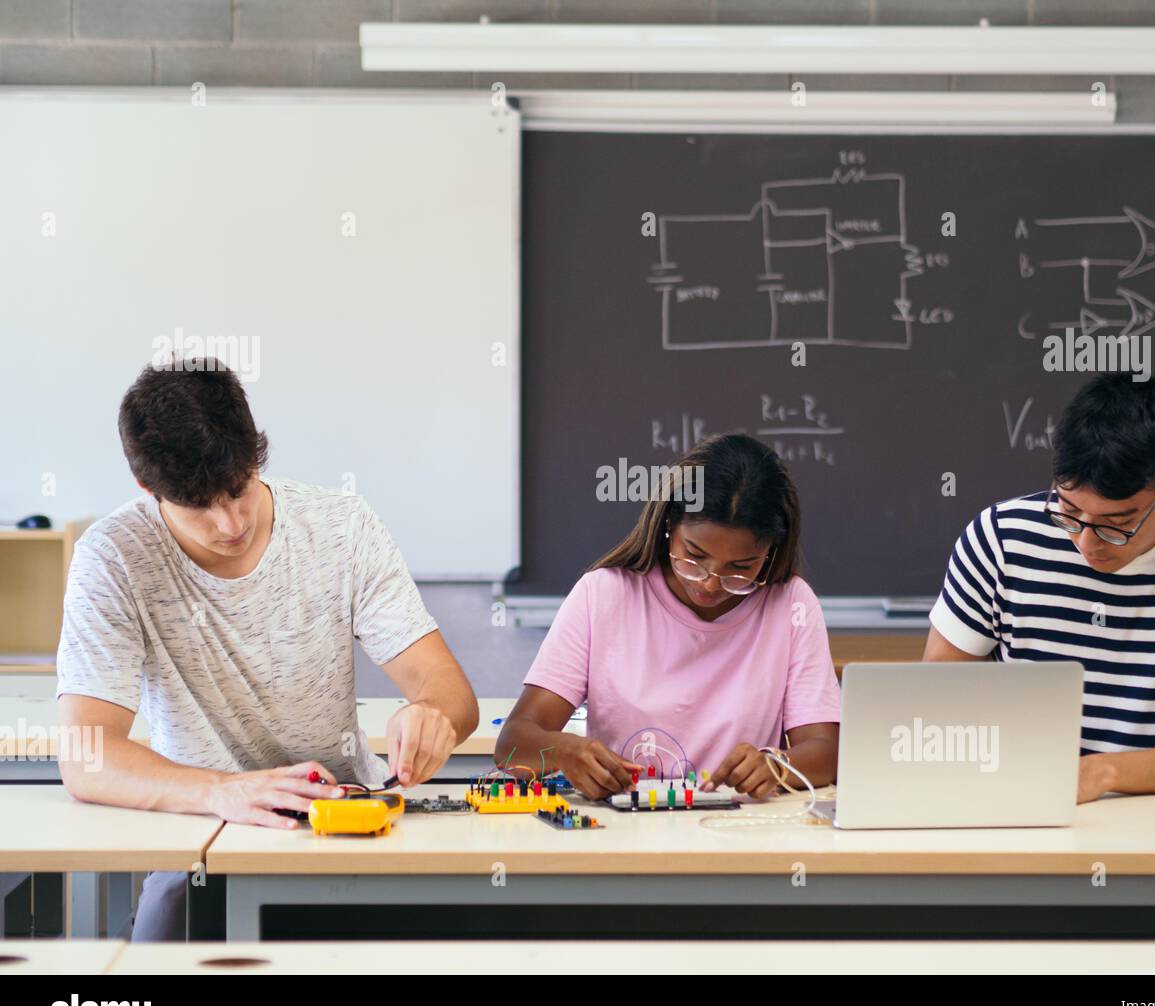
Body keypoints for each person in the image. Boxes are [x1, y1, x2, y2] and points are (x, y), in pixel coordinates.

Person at [56, 358, 477, 939]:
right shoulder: (113, 557)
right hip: (199, 832)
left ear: (257, 454)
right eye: (199, 504)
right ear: (148, 489)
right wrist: (225, 792)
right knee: (160, 945)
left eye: (238, 489)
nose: (229, 523)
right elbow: (86, 756)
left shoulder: (342, 526)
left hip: (342, 824)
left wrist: (432, 715)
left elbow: (450, 692)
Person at [925, 373, 1155, 803]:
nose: (1086, 544)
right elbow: (934, 701)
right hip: (1010, 795)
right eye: (1069, 512)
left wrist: (1098, 773)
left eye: (1117, 525)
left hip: (1148, 810)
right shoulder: (1000, 537)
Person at [497, 433, 840, 801]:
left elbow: (826, 752)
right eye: (693, 556)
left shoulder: (791, 605)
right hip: (625, 833)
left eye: (740, 568)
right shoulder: (603, 594)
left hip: (743, 832)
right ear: (668, 527)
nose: (710, 584)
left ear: (771, 552)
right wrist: (564, 752)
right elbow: (513, 745)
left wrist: (777, 765)